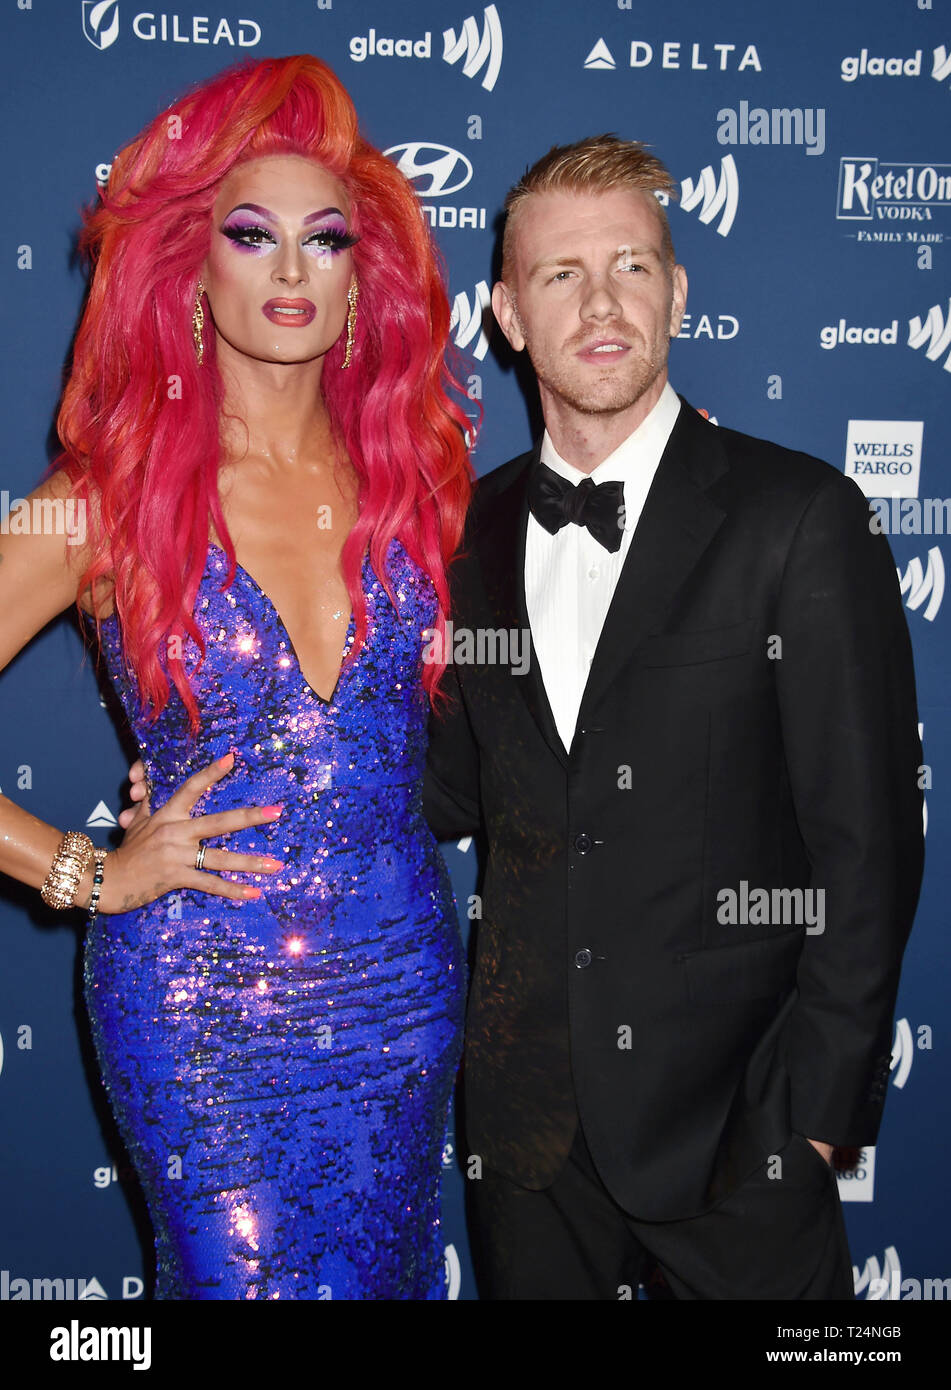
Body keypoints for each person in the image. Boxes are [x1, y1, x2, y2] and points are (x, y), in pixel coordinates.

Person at [420, 135, 924, 1299]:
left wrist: (815, 1120)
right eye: (561, 274)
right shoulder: (463, 536)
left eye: (632, 266)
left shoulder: (801, 516)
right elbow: (444, 788)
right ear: (507, 315)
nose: (601, 304)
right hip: (530, 1138)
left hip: (743, 1132)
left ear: (678, 292)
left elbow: (870, 847)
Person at [0, 55, 471, 1299]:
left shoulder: (412, 482)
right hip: (203, 998)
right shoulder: (106, 499)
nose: (291, 270)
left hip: (401, 982)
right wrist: (85, 870)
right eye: (252, 234)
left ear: (362, 276)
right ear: (192, 268)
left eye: (326, 239)